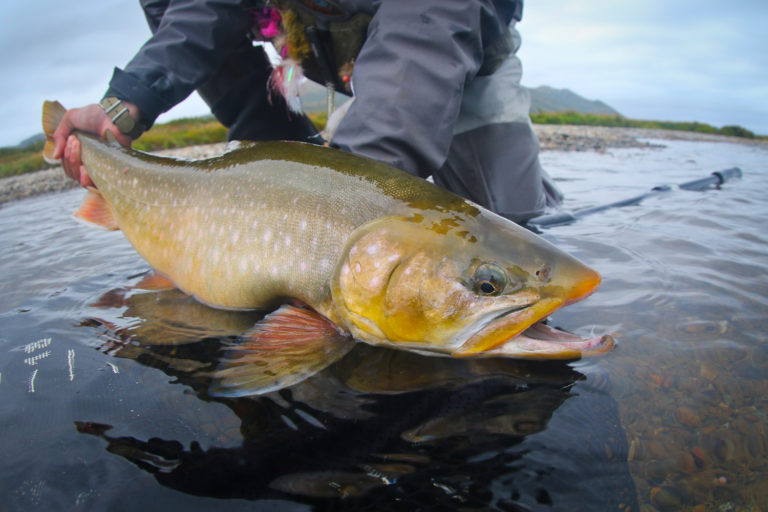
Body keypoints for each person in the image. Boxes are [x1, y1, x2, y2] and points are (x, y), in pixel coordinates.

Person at [53, 0, 562, 223]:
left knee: (514, 223)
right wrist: (126, 104)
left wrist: (341, 191)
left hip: (460, 53)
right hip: (339, 58)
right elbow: (200, 12)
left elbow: (424, 36)